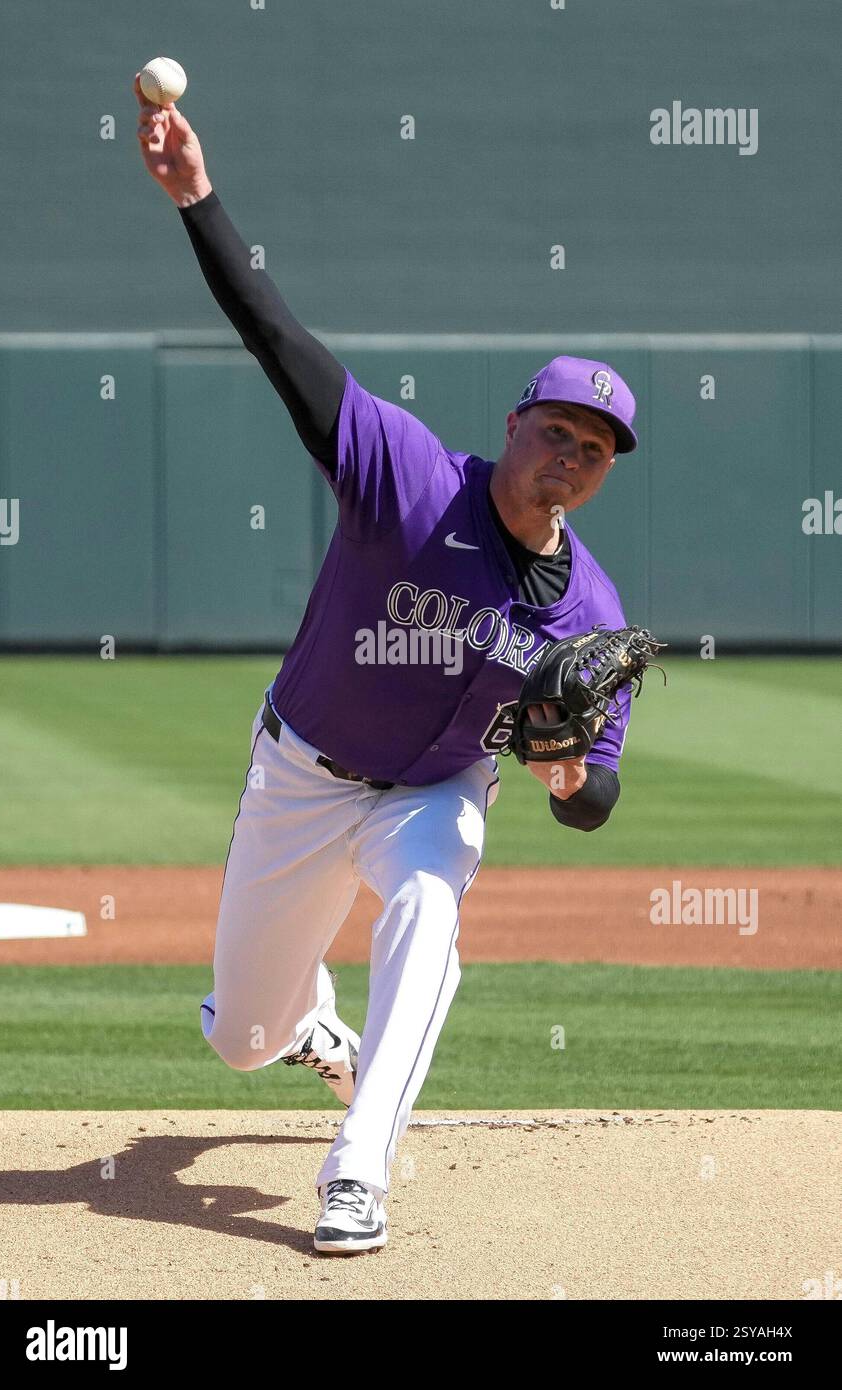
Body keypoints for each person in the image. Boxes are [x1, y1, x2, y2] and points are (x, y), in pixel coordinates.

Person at [135, 77, 638, 1255]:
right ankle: (310, 1029)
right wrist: (198, 200)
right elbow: (280, 342)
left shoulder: (592, 611)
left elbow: (599, 788)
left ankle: (357, 1168)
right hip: (301, 775)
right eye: (558, 427)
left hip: (435, 794)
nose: (571, 454)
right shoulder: (405, 476)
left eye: (596, 448)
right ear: (514, 423)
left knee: (429, 897)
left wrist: (572, 783)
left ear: (605, 472)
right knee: (239, 1036)